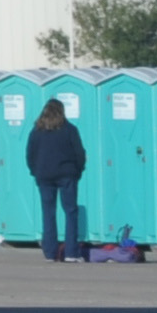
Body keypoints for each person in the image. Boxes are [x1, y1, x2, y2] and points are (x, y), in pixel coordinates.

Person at [25, 99, 89, 261]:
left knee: (48, 213)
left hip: (44, 175)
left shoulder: (36, 131)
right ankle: (71, 253)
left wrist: (35, 172)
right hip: (67, 174)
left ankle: (50, 253)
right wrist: (78, 170)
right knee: (70, 211)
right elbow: (79, 153)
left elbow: (30, 155)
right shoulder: (69, 129)